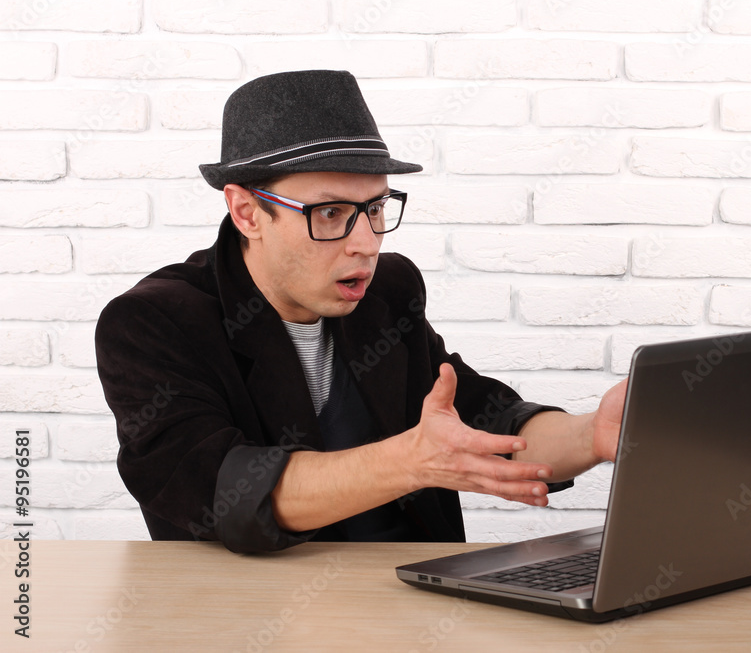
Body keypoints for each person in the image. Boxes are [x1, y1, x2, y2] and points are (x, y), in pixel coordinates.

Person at [95, 70, 626, 553]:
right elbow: (222, 492)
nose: (366, 243)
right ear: (247, 213)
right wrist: (412, 462)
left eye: (375, 208)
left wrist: (593, 435)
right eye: (330, 213)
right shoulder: (152, 324)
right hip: (254, 619)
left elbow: (482, 421)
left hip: (415, 609)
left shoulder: (389, 291)